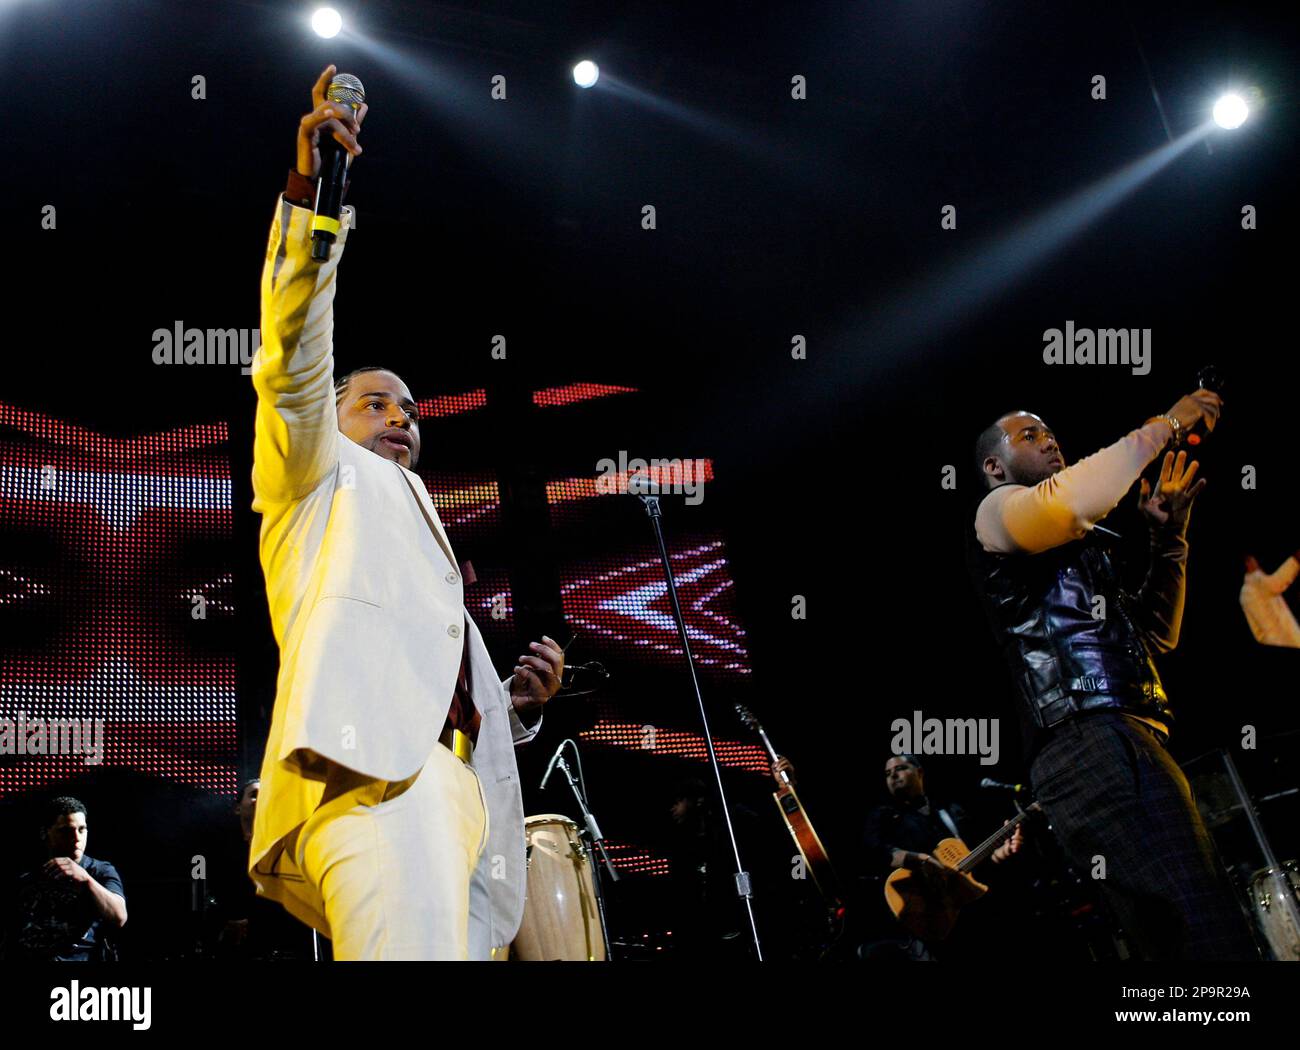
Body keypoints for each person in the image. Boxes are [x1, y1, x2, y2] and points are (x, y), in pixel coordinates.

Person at [248, 65, 563, 960]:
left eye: (411, 409)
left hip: (460, 806)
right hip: (377, 786)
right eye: (376, 403)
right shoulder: (318, 475)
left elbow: (427, 677)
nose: (400, 417)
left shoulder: (415, 522)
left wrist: (516, 706)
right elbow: (293, 358)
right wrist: (316, 200)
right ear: (334, 419)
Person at [966, 391, 1258, 960]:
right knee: (1202, 927)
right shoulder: (996, 513)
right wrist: (1165, 426)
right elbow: (1064, 505)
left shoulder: (1079, 547)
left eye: (1050, 432)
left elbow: (1153, 637)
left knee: (1180, 931)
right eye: (1029, 435)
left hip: (1125, 735)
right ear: (994, 467)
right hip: (1089, 740)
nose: (1049, 440)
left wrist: (1169, 541)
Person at [859, 755, 1021, 960]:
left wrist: (999, 854)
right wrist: (919, 860)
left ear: (920, 772)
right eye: (888, 773)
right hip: (932, 917)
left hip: (976, 908)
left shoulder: (949, 810)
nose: (893, 775)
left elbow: (974, 858)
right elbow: (874, 853)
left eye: (900, 768)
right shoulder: (884, 816)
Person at [3, 796, 127, 961]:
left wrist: (86, 879)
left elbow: (119, 916)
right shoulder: (25, 874)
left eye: (81, 829)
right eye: (66, 830)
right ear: (45, 832)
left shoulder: (99, 870)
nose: (77, 838)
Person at [1239, 551, 1300, 648]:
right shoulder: (1256, 580)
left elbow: (1257, 633)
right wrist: (1295, 560)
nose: (1257, 563)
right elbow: (1276, 583)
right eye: (1253, 559)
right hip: (1287, 640)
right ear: (1248, 563)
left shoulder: (1243, 594)